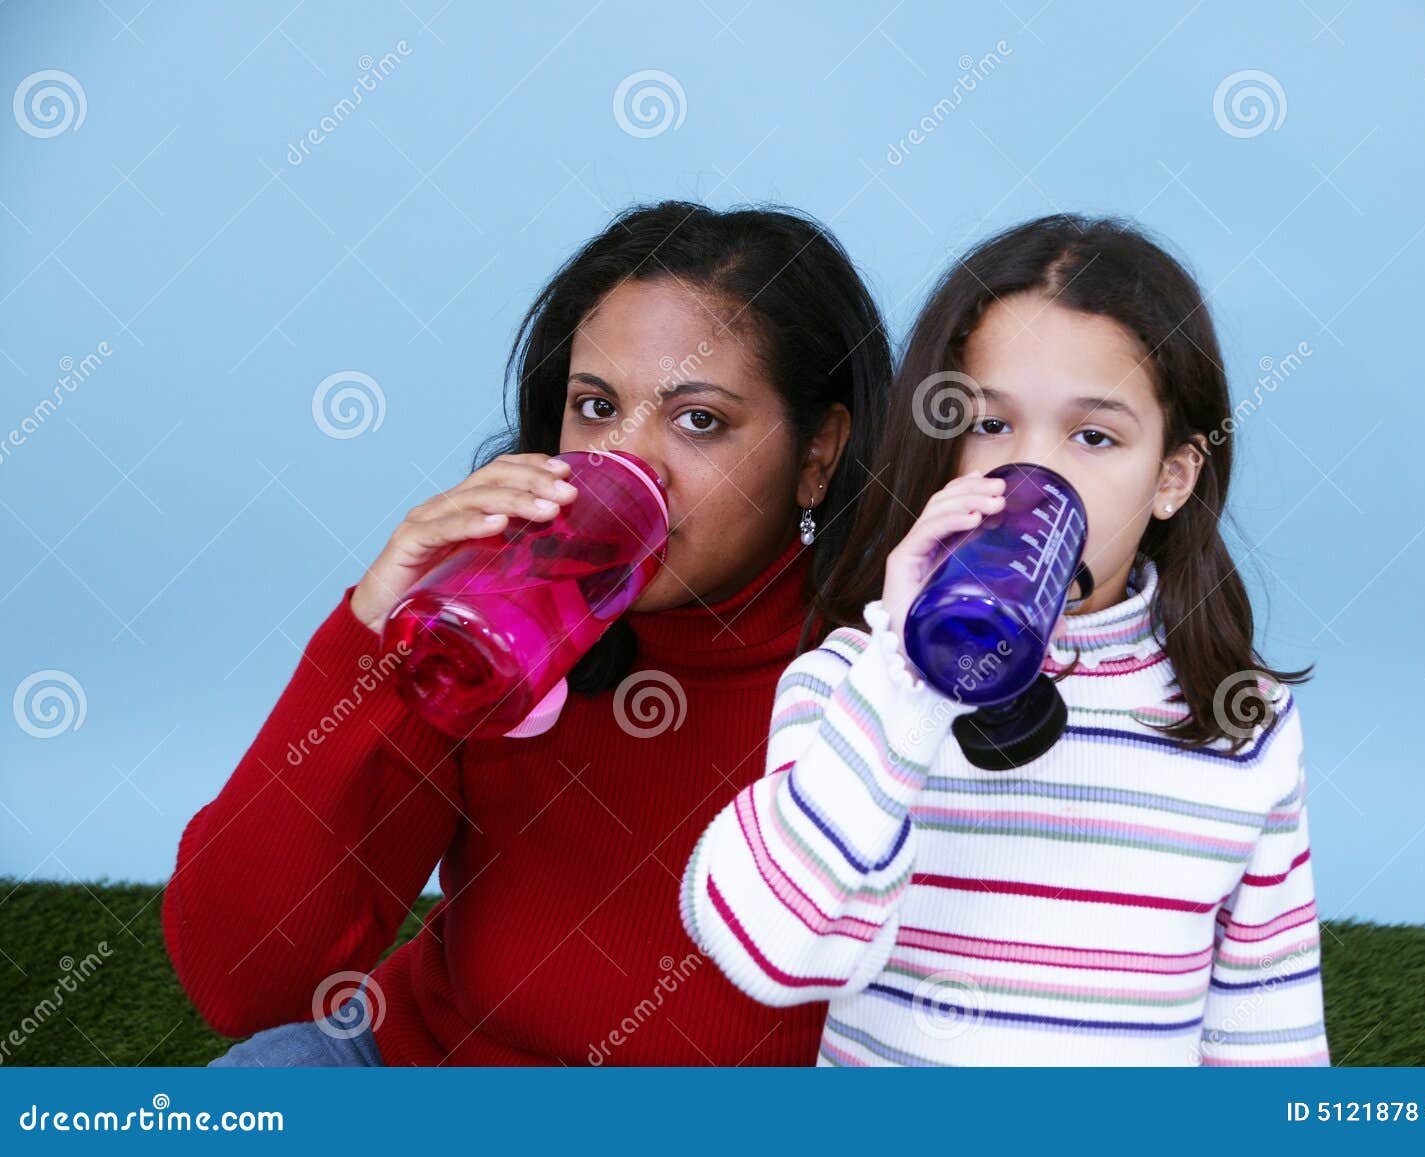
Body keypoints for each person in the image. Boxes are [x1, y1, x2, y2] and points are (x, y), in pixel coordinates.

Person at [164, 200, 891, 1065]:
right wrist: (374, 636)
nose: (628, 463)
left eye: (699, 419)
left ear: (817, 454)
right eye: (595, 407)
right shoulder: (502, 624)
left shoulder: (890, 685)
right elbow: (244, 983)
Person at [680, 213, 1329, 1066]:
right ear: (945, 449)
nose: (1036, 473)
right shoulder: (851, 681)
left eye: (1094, 436)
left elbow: (1265, 1042)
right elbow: (774, 949)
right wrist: (910, 676)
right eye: (990, 425)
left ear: (1171, 478)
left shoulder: (1241, 723)